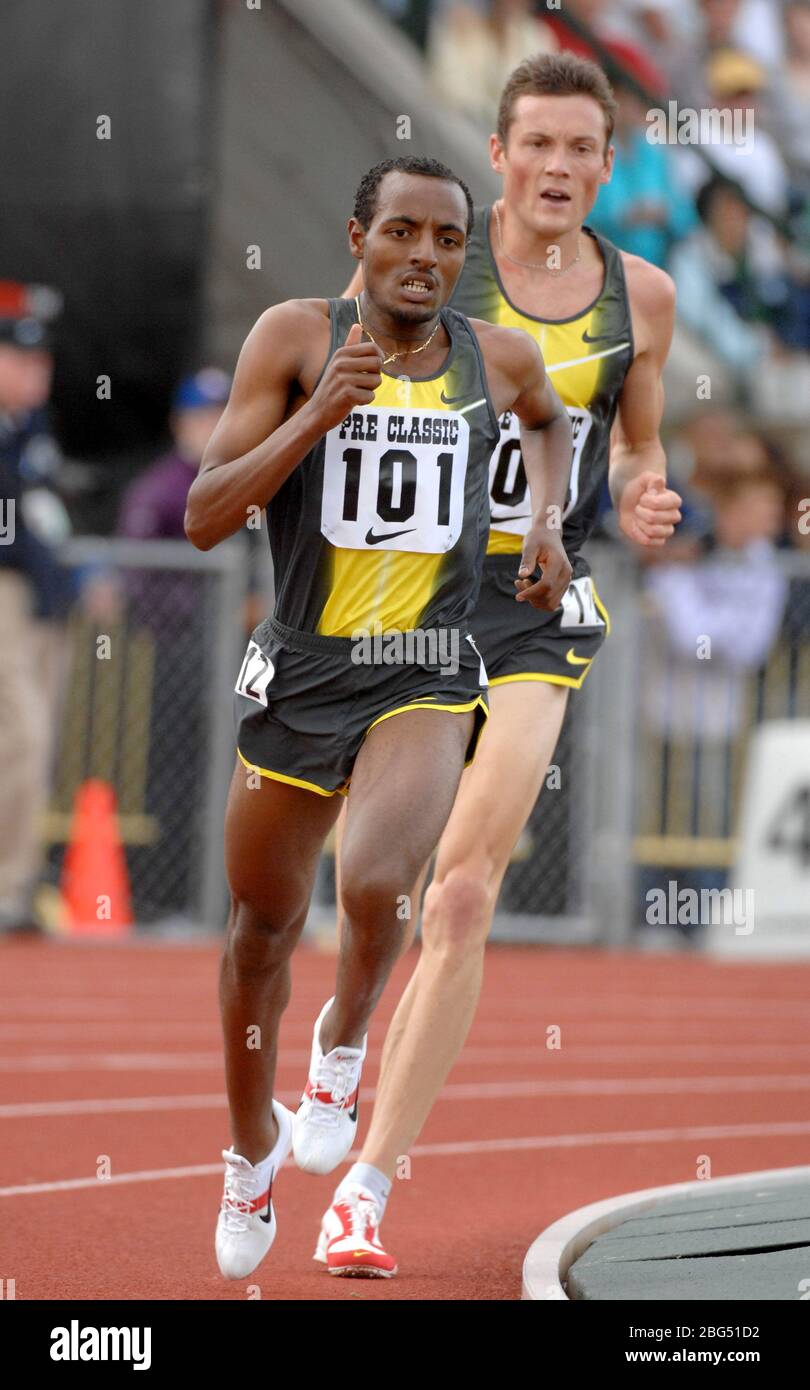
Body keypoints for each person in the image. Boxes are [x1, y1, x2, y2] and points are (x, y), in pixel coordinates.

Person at [184, 155, 575, 1280]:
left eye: (447, 239)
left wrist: (546, 522)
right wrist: (319, 413)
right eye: (401, 231)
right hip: (303, 670)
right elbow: (207, 514)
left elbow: (548, 422)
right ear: (358, 238)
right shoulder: (296, 336)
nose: (424, 256)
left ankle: (343, 1042)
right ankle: (250, 1150)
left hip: (425, 667)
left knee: (374, 884)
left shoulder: (497, 357)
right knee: (259, 931)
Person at [327, 51, 682, 1277]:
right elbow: (341, 394)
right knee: (372, 885)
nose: (559, 167)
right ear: (498, 155)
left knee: (463, 895)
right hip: (410, 602)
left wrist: (641, 493)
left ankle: (366, 1187)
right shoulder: (430, 261)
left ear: (608, 165)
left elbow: (636, 447)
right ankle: (336, 1047)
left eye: (582, 148)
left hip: (539, 606)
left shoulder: (642, 298)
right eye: (539, 143)